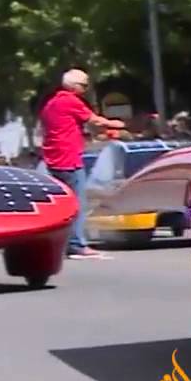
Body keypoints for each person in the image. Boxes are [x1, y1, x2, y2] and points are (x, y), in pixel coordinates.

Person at [39, 69, 125, 259]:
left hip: (53, 159)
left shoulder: (50, 103)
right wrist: (116, 124)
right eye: (84, 85)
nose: (85, 90)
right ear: (74, 86)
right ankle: (77, 245)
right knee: (78, 203)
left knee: (62, 205)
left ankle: (63, 243)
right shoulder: (69, 101)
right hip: (68, 159)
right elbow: (94, 120)